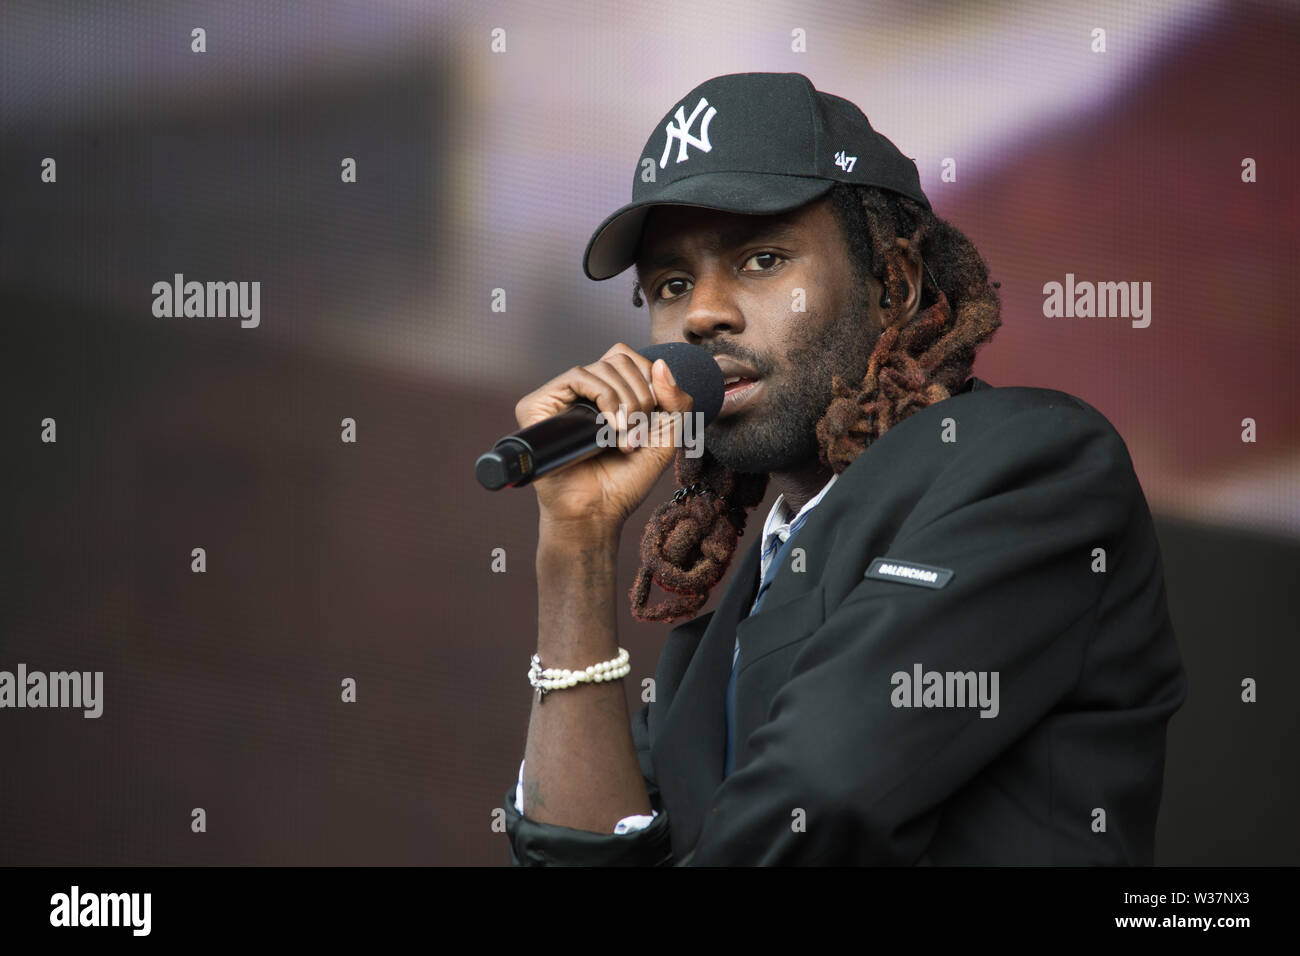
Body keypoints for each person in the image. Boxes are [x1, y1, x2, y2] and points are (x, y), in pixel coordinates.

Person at [500, 72, 1187, 865]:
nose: (700, 314)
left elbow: (822, 795)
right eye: (672, 283)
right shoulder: (714, 642)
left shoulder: (1030, 460)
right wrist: (576, 551)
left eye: (761, 258)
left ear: (892, 286)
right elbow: (580, 855)